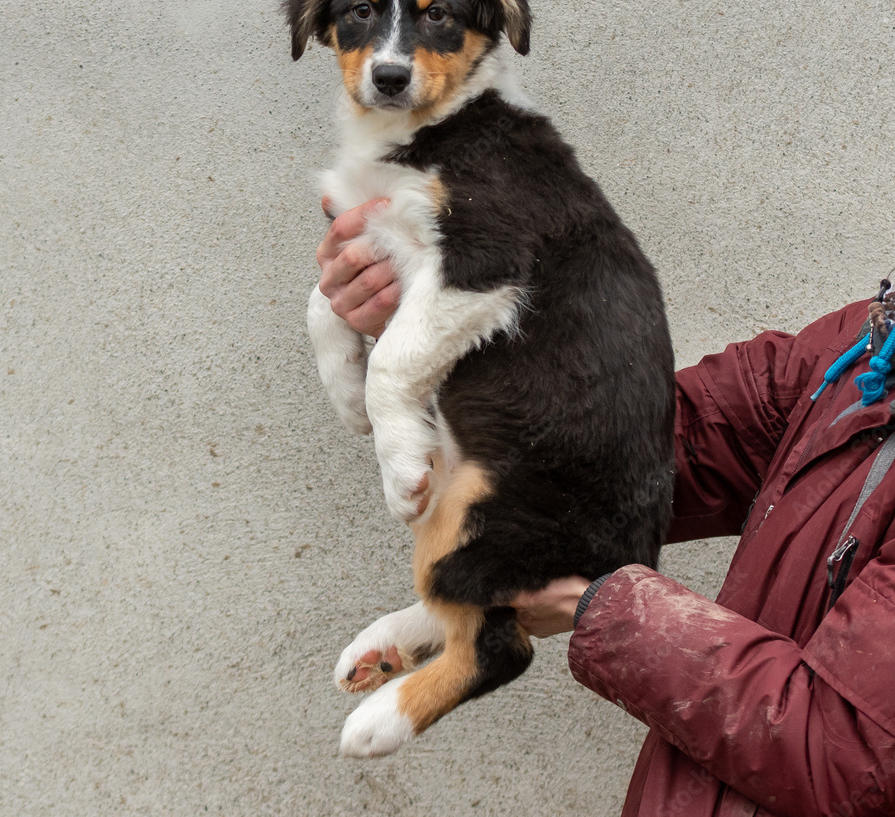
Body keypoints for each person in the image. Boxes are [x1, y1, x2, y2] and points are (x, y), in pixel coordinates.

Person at [316, 197, 895, 817]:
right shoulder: (870, 345)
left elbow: (847, 755)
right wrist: (451, 326)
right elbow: (668, 439)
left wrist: (599, 606)